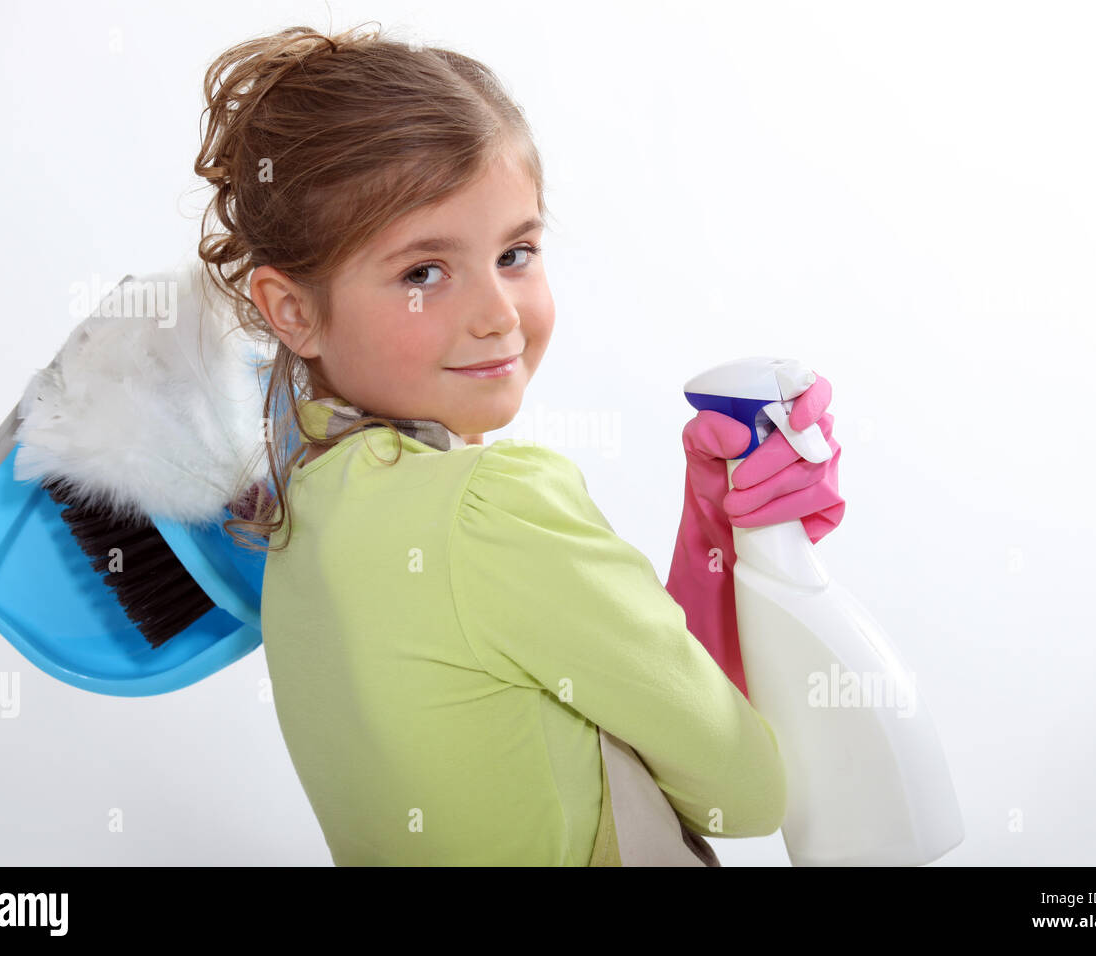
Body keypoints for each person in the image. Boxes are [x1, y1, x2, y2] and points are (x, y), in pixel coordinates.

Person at [196, 22, 843, 866]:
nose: (497, 312)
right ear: (292, 311)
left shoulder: (295, 521)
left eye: (516, 252)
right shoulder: (495, 506)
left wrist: (712, 540)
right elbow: (747, 794)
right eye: (423, 272)